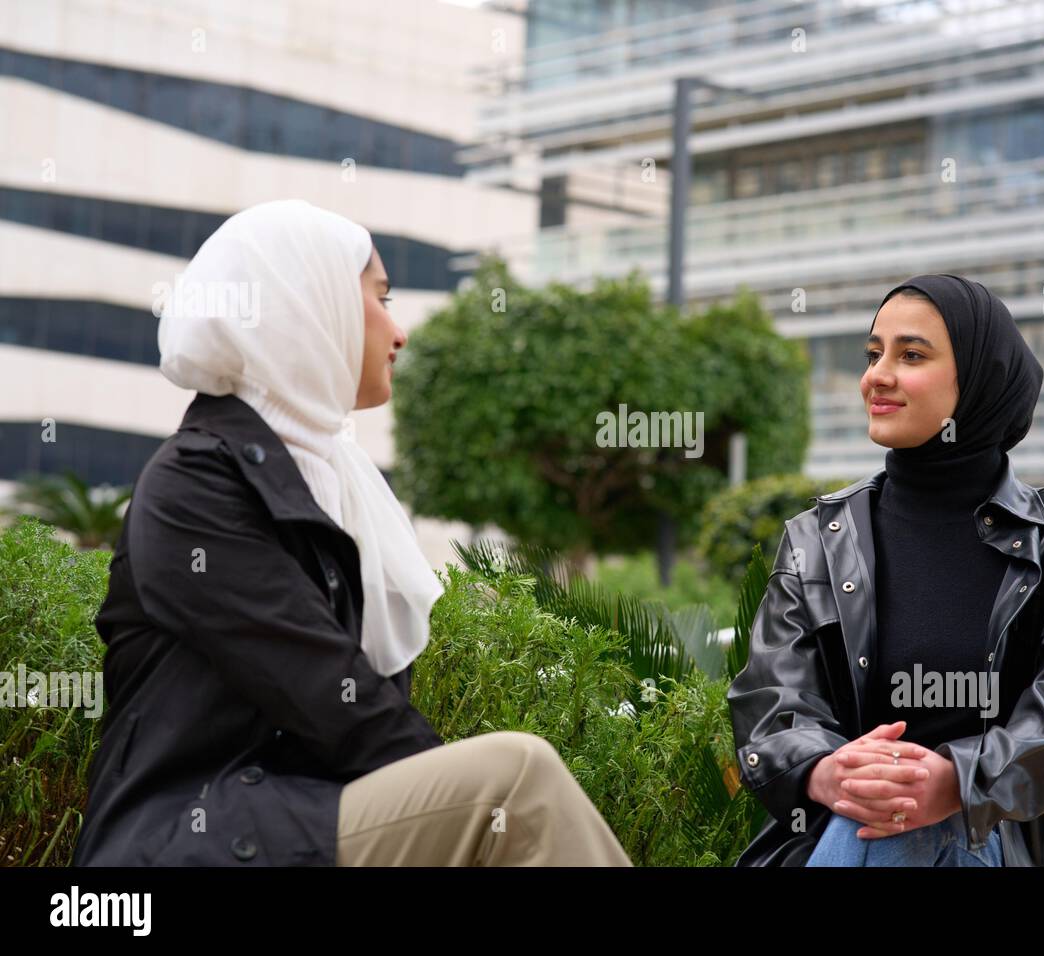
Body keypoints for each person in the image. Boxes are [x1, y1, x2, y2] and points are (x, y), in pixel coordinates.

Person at [72, 199, 632, 867]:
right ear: (307, 304)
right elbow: (324, 692)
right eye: (380, 298)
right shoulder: (195, 482)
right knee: (515, 783)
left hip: (300, 819)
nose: (399, 332)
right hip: (194, 843)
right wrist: (442, 795)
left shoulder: (338, 481)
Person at [726, 274, 1044, 866]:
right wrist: (826, 772)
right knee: (885, 807)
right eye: (873, 355)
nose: (877, 376)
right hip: (830, 838)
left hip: (991, 843)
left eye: (910, 355)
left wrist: (954, 781)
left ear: (978, 379)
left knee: (906, 813)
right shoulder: (819, 536)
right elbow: (770, 697)